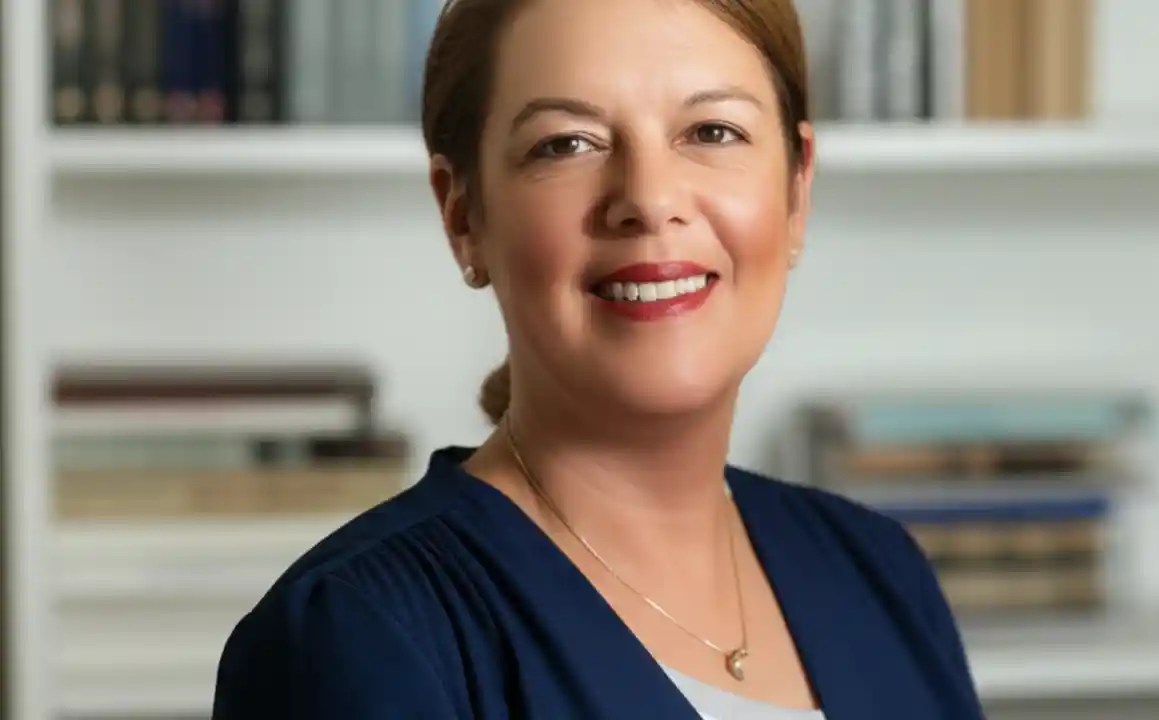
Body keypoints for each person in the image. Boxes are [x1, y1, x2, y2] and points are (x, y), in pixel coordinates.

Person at [212, 0, 985, 717]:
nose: (648, 198)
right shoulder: (354, 636)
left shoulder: (881, 574)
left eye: (712, 132)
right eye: (567, 143)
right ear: (463, 217)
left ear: (796, 190)